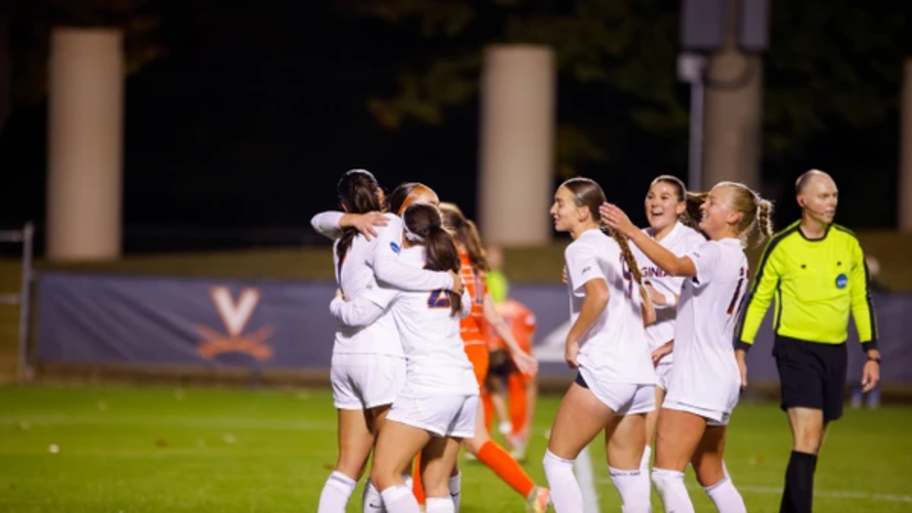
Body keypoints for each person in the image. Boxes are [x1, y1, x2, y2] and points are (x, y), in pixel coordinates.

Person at [601, 180, 773, 513]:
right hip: (719, 374)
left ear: (734, 216)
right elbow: (707, 315)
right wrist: (674, 343)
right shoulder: (735, 256)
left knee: (666, 476)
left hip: (698, 378)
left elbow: (676, 266)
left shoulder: (713, 250)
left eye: (714, 202)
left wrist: (630, 231)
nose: (705, 206)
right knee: (712, 475)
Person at [311, 172, 462, 513]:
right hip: (381, 354)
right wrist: (444, 280)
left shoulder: (343, 238)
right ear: (382, 196)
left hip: (346, 356)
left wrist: (351, 218)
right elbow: (386, 280)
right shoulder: (389, 227)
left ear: (345, 204)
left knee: (348, 466)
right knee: (393, 468)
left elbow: (317, 220)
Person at [735, 169, 880, 513]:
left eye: (834, 195)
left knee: (812, 445)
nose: (832, 202)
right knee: (807, 438)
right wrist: (742, 349)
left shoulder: (848, 242)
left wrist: (871, 352)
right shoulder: (782, 245)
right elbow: (759, 299)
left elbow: (861, 299)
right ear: (803, 201)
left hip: (835, 352)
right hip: (795, 350)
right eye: (824, 196)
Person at [414, 202, 547, 513]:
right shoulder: (474, 265)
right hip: (476, 355)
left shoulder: (440, 263)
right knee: (471, 439)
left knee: (429, 437)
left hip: (453, 354)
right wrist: (517, 351)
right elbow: (494, 318)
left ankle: (421, 504)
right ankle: (533, 491)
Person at [542, 177, 657, 513]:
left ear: (583, 211)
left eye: (560, 203)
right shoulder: (618, 246)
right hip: (640, 374)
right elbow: (648, 311)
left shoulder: (580, 248)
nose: (553, 210)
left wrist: (572, 338)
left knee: (557, 462)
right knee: (628, 474)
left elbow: (600, 295)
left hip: (607, 370)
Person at [631, 175, 707, 470]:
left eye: (664, 197)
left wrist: (662, 298)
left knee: (681, 446)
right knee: (641, 436)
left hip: (680, 349)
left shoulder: (693, 242)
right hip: (645, 348)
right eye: (651, 196)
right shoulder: (637, 238)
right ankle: (639, 490)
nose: (655, 202)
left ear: (680, 206)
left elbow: (702, 297)